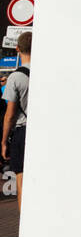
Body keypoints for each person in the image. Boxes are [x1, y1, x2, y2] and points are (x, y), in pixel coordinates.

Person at [1, 31, 31, 210]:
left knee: (22, 180)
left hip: (22, 132)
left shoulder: (16, 77)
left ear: (18, 49)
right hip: (45, 131)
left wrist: (4, 141)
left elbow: (10, 115)